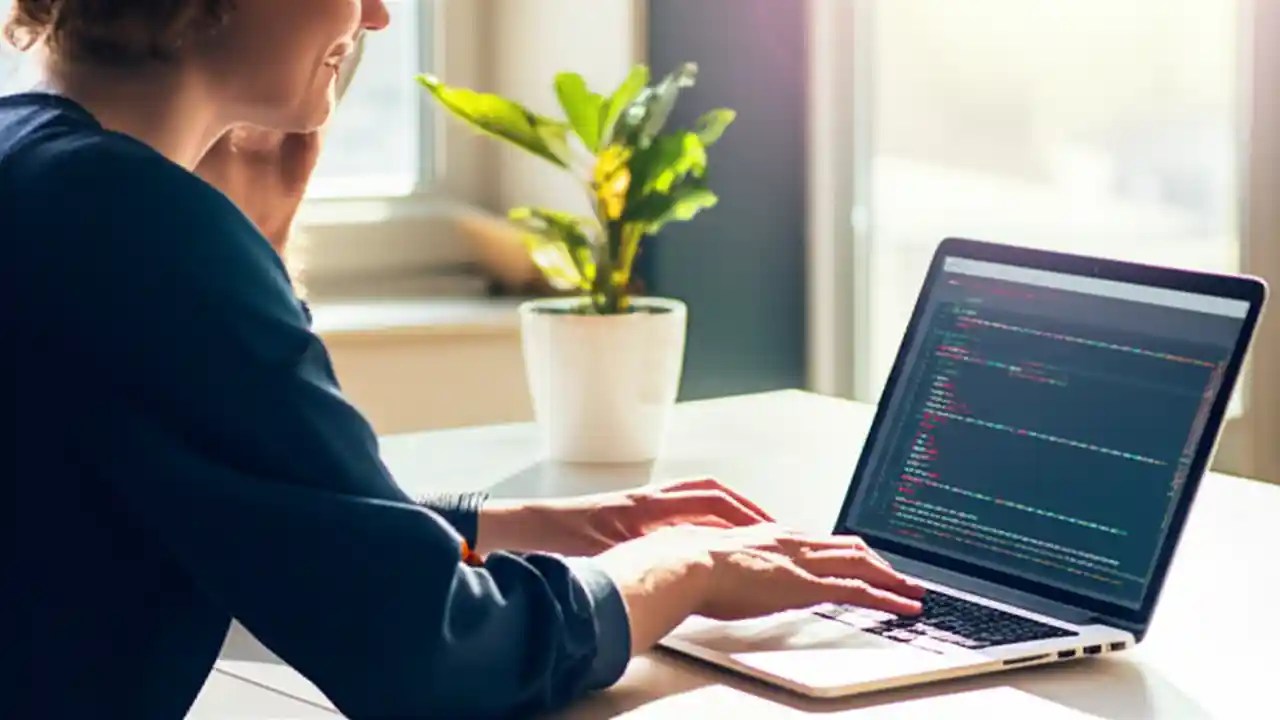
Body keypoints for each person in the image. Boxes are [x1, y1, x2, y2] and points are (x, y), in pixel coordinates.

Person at [4, 1, 925, 718]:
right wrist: (685, 569)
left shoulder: (42, 171)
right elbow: (431, 653)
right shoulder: (134, 223)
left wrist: (531, 526)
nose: (373, 17)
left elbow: (240, 524)